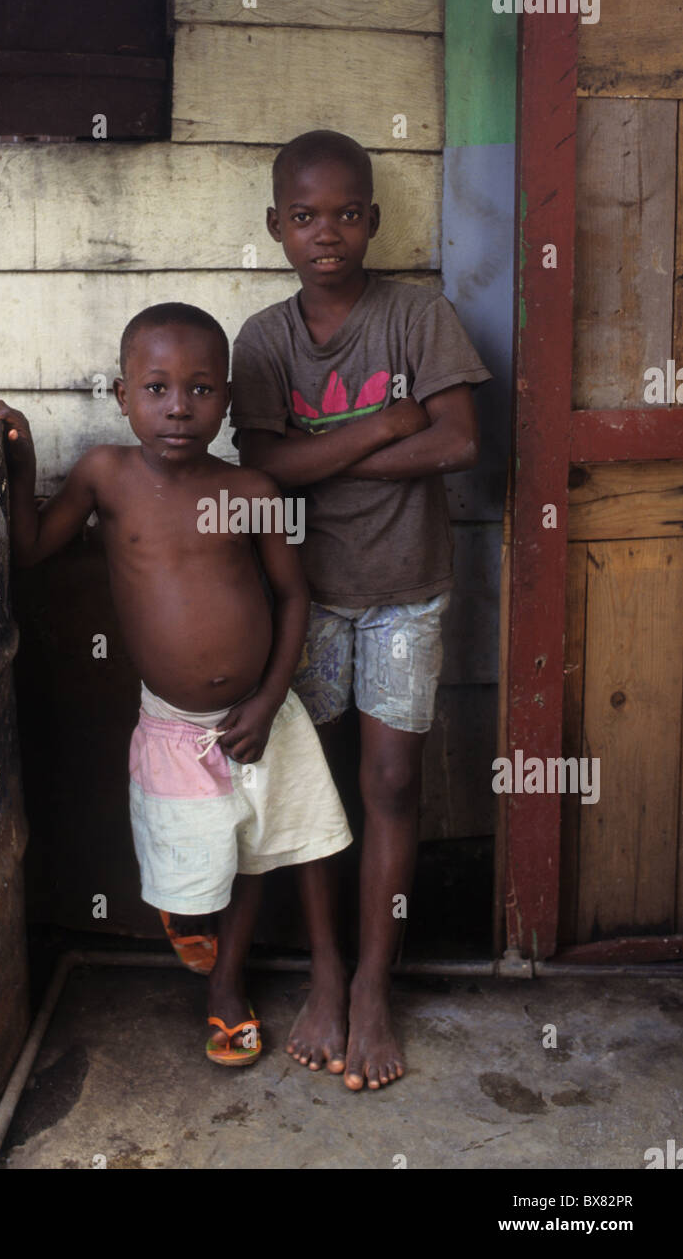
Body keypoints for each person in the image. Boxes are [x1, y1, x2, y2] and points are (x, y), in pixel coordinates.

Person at [0, 301, 351, 1067]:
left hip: (261, 715)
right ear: (122, 396)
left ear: (226, 398)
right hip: (175, 727)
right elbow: (28, 551)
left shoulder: (252, 489)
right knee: (193, 873)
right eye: (156, 389)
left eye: (200, 390)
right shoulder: (104, 475)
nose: (178, 408)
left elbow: (293, 596)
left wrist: (268, 696)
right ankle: (190, 922)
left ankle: (226, 986)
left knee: (257, 851)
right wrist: (20, 466)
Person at [230, 130, 491, 1089]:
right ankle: (326, 972)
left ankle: (376, 983)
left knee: (387, 784)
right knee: (318, 793)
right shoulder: (262, 341)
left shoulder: (416, 318)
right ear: (276, 229)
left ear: (373, 220)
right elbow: (264, 469)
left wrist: (326, 451)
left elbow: (457, 442)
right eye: (304, 217)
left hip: (405, 593)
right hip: (305, 598)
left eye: (345, 213)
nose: (326, 233)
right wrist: (385, 424)